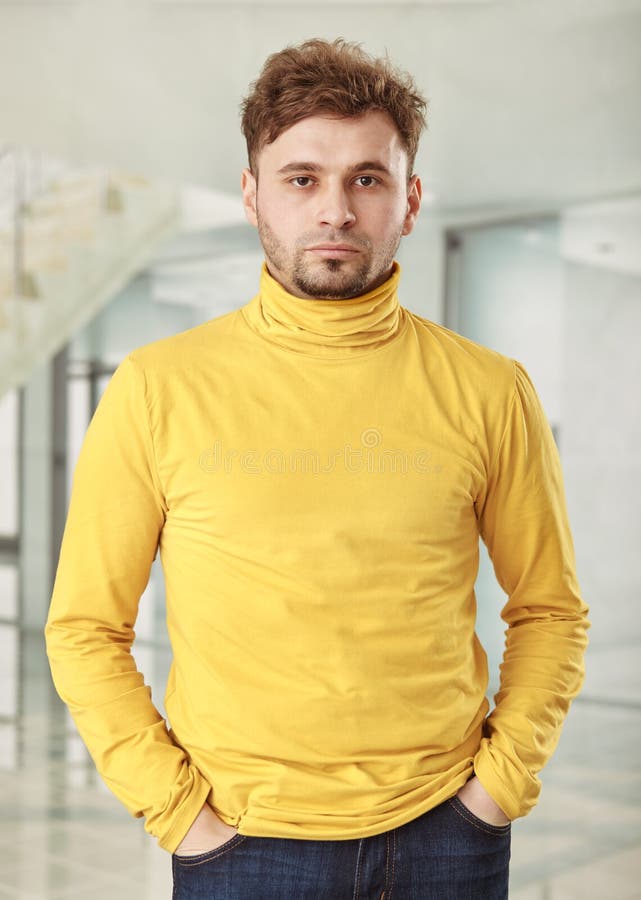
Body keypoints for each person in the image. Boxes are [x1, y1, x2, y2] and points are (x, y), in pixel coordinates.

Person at [45, 38, 590, 899]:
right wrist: (182, 817)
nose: (334, 209)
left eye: (365, 179)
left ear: (408, 200)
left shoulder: (490, 390)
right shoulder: (158, 388)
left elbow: (551, 609)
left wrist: (496, 792)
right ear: (253, 194)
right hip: (242, 843)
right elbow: (83, 629)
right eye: (301, 178)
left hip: (448, 834)